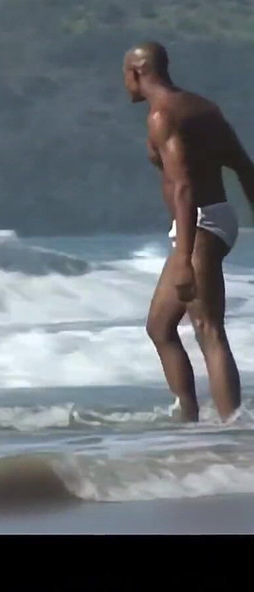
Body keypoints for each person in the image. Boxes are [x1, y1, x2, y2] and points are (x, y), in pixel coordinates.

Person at [123, 41, 254, 422]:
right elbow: (244, 166)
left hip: (198, 225)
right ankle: (188, 420)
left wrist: (183, 257)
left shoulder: (162, 116)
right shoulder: (203, 108)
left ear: (137, 72)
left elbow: (183, 187)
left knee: (208, 329)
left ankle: (232, 431)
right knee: (160, 327)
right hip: (208, 221)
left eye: (124, 75)